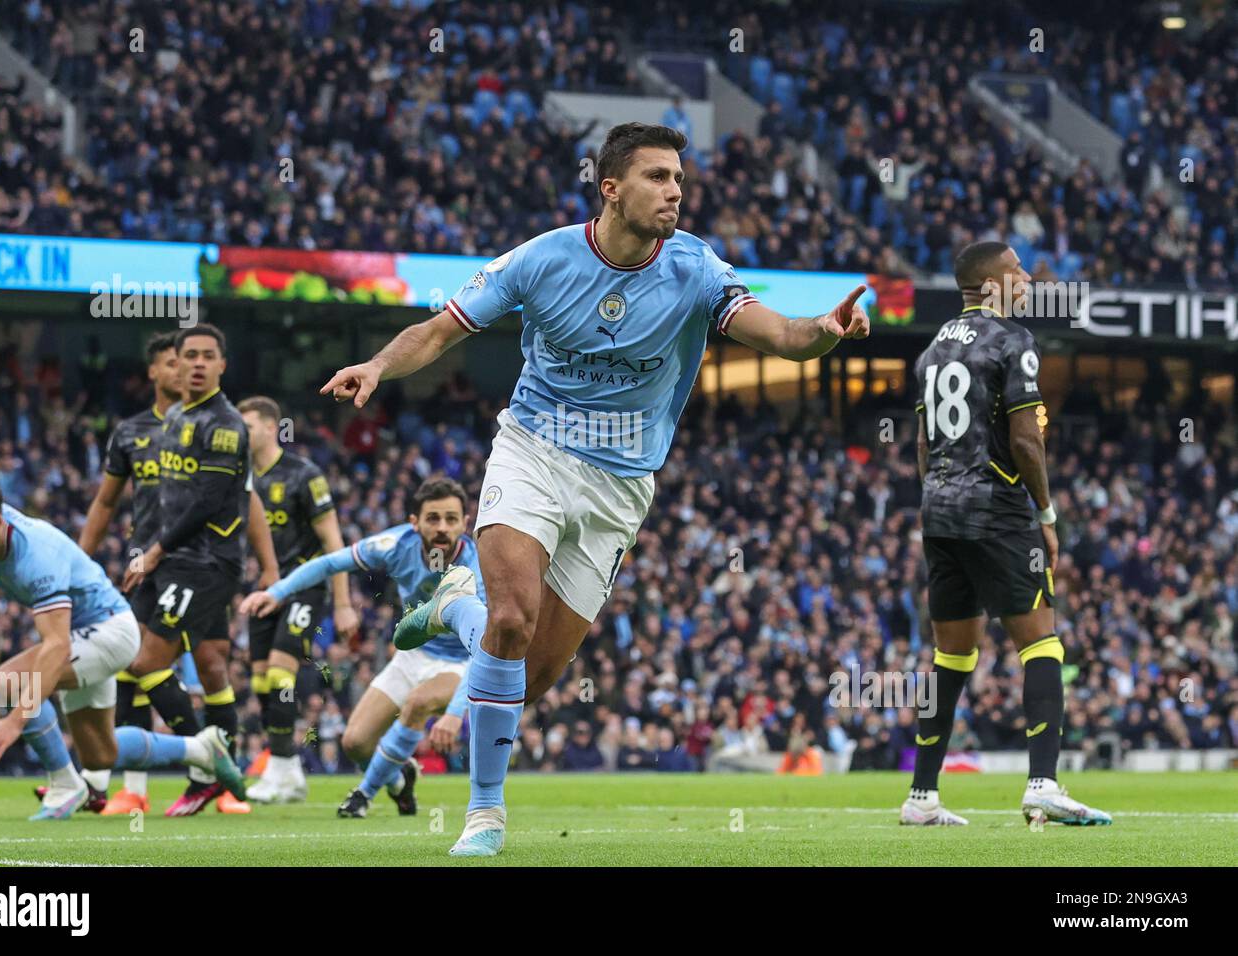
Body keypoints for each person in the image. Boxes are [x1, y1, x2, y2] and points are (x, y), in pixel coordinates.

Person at [321, 122, 869, 855]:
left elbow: (781, 336)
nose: (674, 190)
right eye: (656, 177)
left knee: (532, 676)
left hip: (620, 486)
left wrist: (827, 329)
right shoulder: (541, 259)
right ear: (610, 188)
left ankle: (453, 608)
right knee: (511, 621)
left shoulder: (696, 269)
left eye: (678, 177)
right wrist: (378, 368)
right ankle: (485, 813)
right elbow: (442, 330)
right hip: (533, 451)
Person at [902, 240, 1110, 826]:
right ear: (992, 283)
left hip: (939, 510)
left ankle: (922, 798)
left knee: (953, 654)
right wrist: (1046, 515)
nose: (1025, 278)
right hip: (995, 509)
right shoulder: (1012, 340)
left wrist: (938, 495)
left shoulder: (933, 348)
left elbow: (922, 444)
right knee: (1042, 644)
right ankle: (1043, 783)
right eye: (1016, 269)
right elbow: (1025, 439)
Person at [0, 477, 245, 820]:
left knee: (8, 681)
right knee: (101, 755)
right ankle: (202, 749)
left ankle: (65, 786)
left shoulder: (38, 555)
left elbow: (56, 647)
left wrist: (14, 721)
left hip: (108, 632)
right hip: (83, 635)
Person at [72, 332, 277, 816]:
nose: (199, 364)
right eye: (190, 357)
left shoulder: (226, 425)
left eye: (209, 356)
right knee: (173, 660)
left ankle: (206, 763)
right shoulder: (174, 421)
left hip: (202, 562)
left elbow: (209, 501)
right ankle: (181, 780)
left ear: (223, 365)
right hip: (165, 562)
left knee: (146, 662)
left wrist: (157, 551)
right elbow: (132, 501)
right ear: (174, 366)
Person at [240, 477, 480, 818]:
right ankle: (399, 779)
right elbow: (329, 563)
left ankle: (361, 796)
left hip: (460, 662)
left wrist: (456, 714)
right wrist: (276, 593)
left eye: (451, 519)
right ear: (414, 522)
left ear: (464, 523)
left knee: (418, 703)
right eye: (433, 518)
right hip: (414, 654)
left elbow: (482, 647)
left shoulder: (477, 566)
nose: (442, 528)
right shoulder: (395, 544)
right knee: (355, 743)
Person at [237, 395, 356, 803]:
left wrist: (342, 603)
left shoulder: (303, 475)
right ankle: (286, 770)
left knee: (280, 674)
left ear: (272, 428)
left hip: (306, 585)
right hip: (265, 589)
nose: (240, 433)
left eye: (248, 426)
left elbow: (333, 541)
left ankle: (283, 770)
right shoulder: (241, 479)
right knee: (259, 683)